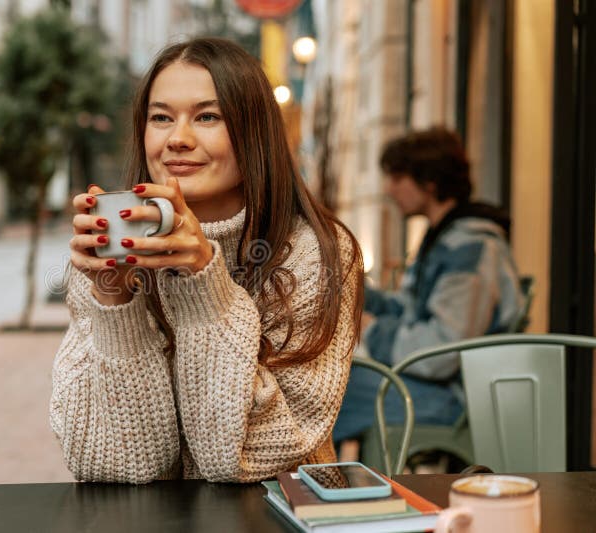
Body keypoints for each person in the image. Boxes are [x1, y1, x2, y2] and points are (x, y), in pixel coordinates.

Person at [50, 37, 364, 483]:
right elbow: (122, 467)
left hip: (278, 513)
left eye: (207, 117)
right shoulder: (110, 252)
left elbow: (240, 460)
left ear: (254, 131)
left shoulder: (317, 253)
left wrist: (204, 285)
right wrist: (114, 301)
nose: (178, 139)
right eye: (161, 117)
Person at [333, 127, 525, 443]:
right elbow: (408, 308)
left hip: (459, 399)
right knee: (331, 376)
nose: (388, 189)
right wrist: (353, 292)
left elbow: (441, 352)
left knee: (335, 385)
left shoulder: (471, 247)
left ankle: (318, 488)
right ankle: (322, 486)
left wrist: (370, 327)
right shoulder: (444, 238)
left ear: (429, 181)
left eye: (397, 177)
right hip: (438, 387)